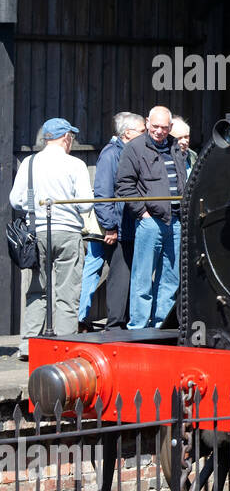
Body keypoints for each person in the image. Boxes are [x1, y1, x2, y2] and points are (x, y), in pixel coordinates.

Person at [9, 118, 93, 355]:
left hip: (37, 234)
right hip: (67, 232)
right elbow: (86, 205)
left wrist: (35, 203)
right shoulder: (75, 164)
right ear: (66, 137)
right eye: (71, 137)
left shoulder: (29, 162)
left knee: (37, 290)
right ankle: (65, 345)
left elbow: (15, 200)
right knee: (68, 292)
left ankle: (28, 345)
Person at [116, 106, 186, 329]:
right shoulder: (134, 148)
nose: (159, 131)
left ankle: (161, 326)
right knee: (143, 277)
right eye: (155, 126)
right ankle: (137, 326)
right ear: (147, 123)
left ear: (170, 127)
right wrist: (142, 213)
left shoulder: (176, 147)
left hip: (176, 220)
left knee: (171, 278)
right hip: (150, 221)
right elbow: (124, 185)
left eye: (164, 127)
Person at [77, 112, 145, 330]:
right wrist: (110, 227)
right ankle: (115, 325)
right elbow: (103, 193)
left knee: (130, 275)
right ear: (127, 133)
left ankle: (123, 321)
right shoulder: (111, 155)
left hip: (130, 225)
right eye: (142, 131)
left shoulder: (131, 152)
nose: (146, 135)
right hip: (118, 225)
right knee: (119, 276)